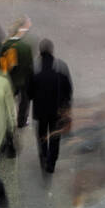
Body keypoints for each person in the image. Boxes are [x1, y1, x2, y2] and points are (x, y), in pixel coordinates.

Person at [30, 40, 72, 174]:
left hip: (40, 111)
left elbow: (29, 93)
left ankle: (43, 156)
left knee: (42, 134)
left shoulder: (34, 68)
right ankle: (51, 163)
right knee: (55, 137)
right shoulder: (61, 66)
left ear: (40, 52)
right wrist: (66, 107)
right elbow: (69, 90)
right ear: (52, 51)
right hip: (57, 111)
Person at [0, 17, 35, 130]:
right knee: (24, 102)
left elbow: (1, 65)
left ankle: (5, 119)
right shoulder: (26, 47)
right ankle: (21, 121)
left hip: (9, 80)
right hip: (24, 80)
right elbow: (30, 67)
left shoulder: (4, 45)